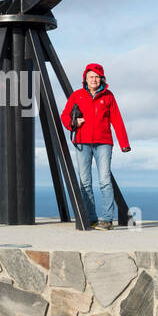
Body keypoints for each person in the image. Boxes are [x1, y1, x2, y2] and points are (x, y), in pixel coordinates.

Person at [59, 62, 130, 229]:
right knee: (85, 182)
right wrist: (73, 123)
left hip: (103, 143)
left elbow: (117, 120)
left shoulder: (108, 96)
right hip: (82, 143)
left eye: (97, 77)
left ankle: (107, 219)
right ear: (85, 78)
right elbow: (64, 116)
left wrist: (124, 144)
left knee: (105, 180)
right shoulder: (77, 95)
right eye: (91, 76)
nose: (94, 79)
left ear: (102, 79)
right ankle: (90, 218)